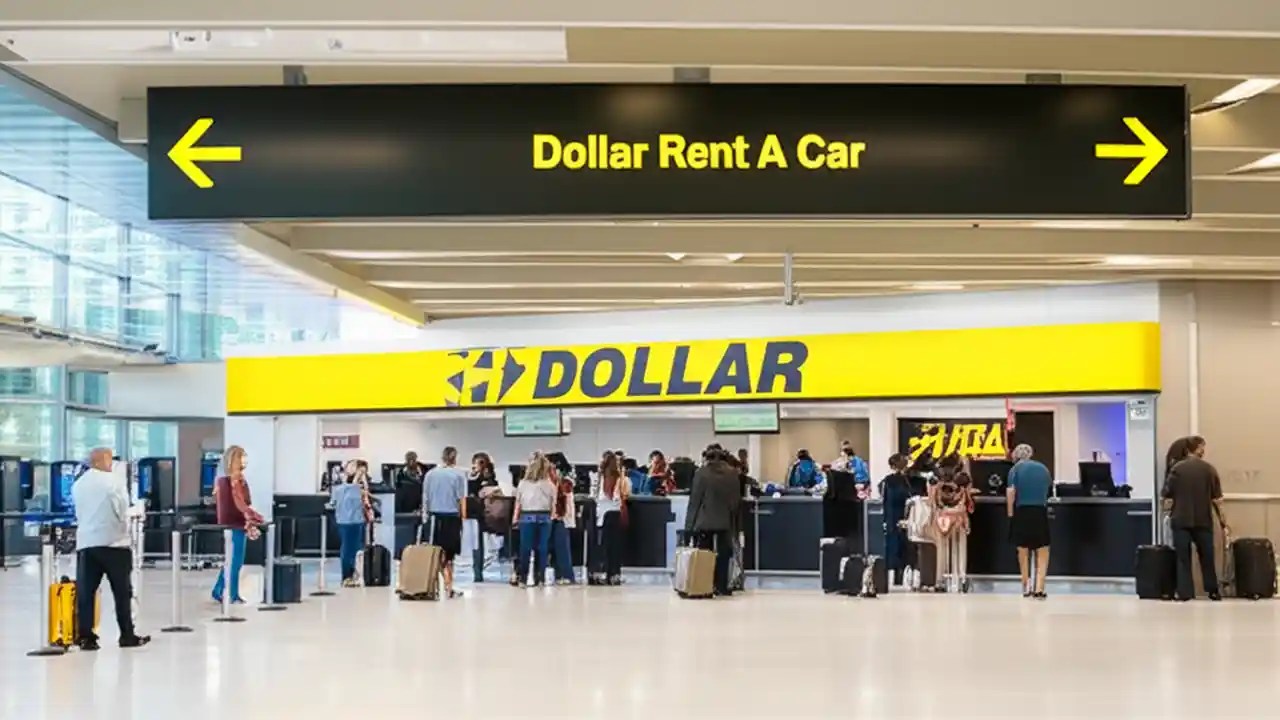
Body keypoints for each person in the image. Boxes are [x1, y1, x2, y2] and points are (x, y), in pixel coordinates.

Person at [71, 447, 150, 650]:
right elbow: (122, 511)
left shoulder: (79, 484)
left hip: (87, 544)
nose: (111, 464)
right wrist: (137, 511)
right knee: (122, 592)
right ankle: (126, 635)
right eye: (109, 460)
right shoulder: (112, 482)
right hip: (114, 544)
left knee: (86, 593)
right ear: (101, 461)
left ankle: (86, 637)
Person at [1162, 436, 1229, 601]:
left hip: (1180, 519)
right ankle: (1212, 591)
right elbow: (1217, 500)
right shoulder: (1209, 470)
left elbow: (1167, 496)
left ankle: (1185, 593)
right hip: (1203, 520)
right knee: (1207, 557)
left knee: (1183, 558)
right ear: (1198, 448)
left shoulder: (1176, 469)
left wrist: (1166, 514)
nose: (1204, 451)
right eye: (1203, 447)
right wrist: (1224, 522)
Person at [685, 444, 741, 596]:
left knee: (705, 554)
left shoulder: (701, 473)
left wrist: (688, 528)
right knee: (724, 554)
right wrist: (735, 525)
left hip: (704, 521)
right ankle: (721, 585)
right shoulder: (732, 474)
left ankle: (705, 585)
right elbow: (735, 501)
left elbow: (695, 501)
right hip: (725, 521)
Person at [212, 445, 264, 605]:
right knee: (235, 561)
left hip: (234, 523)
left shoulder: (230, 480)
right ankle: (232, 594)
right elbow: (239, 503)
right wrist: (253, 515)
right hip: (234, 524)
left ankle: (218, 590)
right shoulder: (232, 481)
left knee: (232, 560)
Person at [1007, 444, 1052, 599]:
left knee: (1023, 550)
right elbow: (1048, 491)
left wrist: (1011, 514)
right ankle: (1040, 588)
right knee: (1042, 550)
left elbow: (1011, 492)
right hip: (1040, 512)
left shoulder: (1015, 470)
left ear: (1016, 456)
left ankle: (1026, 586)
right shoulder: (1043, 468)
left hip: (1022, 511)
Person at [422, 446, 467, 599]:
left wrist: (425, 518)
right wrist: (463, 520)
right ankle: (449, 587)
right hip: (452, 517)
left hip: (434, 518)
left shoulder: (430, 474)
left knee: (434, 553)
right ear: (454, 458)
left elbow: (425, 498)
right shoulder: (459, 475)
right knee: (449, 555)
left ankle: (432, 585)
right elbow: (462, 500)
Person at [929, 453, 973, 592]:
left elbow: (932, 503)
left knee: (941, 549)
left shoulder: (937, 485)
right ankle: (961, 577)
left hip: (942, 519)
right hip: (959, 518)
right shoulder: (962, 484)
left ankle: (940, 580)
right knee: (960, 549)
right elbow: (967, 501)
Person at [513, 452, 557, 588]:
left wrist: (515, 518)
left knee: (525, 549)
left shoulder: (523, 483)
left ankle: (523, 579)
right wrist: (552, 517)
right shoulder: (549, 484)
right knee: (542, 548)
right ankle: (540, 579)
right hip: (544, 517)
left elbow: (518, 503)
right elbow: (553, 504)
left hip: (527, 516)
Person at [594, 451, 632, 586]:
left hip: (603, 514)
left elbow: (598, 494)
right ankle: (614, 574)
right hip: (614, 513)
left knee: (604, 546)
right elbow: (616, 494)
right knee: (615, 547)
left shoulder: (600, 477)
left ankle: (604, 573)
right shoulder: (617, 477)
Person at [333, 461, 372, 588]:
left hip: (345, 522)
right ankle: (347, 576)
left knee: (352, 549)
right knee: (350, 550)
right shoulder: (352, 489)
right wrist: (359, 476)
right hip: (352, 522)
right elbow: (355, 489)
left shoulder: (339, 489)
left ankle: (351, 575)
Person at [879, 453, 914, 584]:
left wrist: (884, 519)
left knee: (893, 545)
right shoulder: (906, 481)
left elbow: (886, 500)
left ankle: (892, 575)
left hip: (892, 516)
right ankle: (901, 574)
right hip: (902, 516)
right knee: (903, 545)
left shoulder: (888, 481)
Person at [468, 452, 499, 582]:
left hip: (487, 513)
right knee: (477, 544)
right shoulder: (473, 478)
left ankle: (478, 572)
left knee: (480, 544)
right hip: (476, 514)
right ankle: (477, 573)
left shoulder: (489, 478)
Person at [550, 462, 578, 585]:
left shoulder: (565, 483)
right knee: (557, 549)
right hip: (556, 519)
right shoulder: (556, 483)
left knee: (562, 549)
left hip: (561, 519)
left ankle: (567, 575)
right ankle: (559, 574)